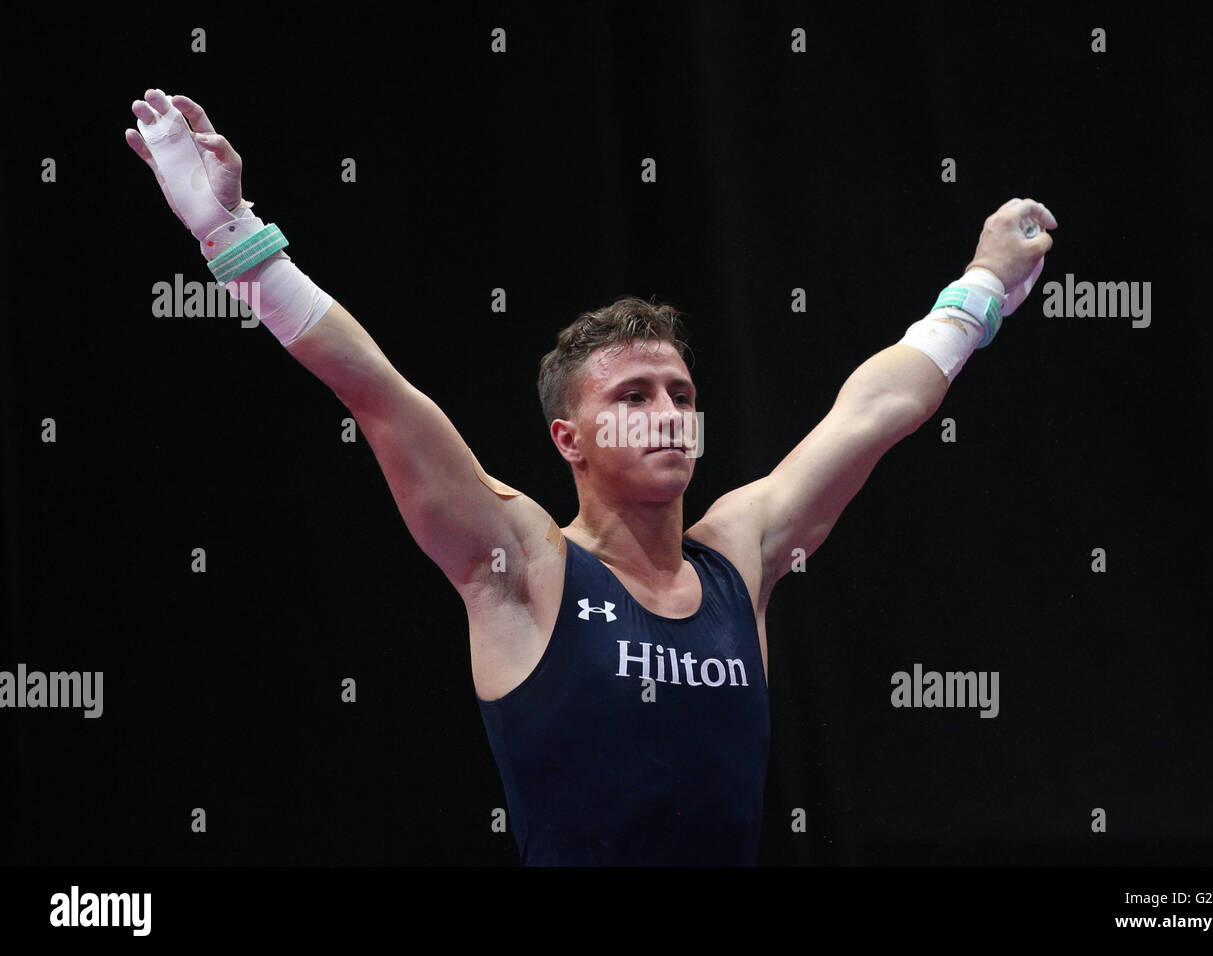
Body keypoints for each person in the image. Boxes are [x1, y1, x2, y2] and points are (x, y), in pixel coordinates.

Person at [125, 87, 1056, 866]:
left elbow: (872, 411)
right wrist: (230, 233)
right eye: (635, 392)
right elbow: (379, 394)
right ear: (569, 438)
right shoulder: (522, 565)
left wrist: (977, 288)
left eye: (680, 390)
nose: (666, 408)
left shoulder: (743, 551)